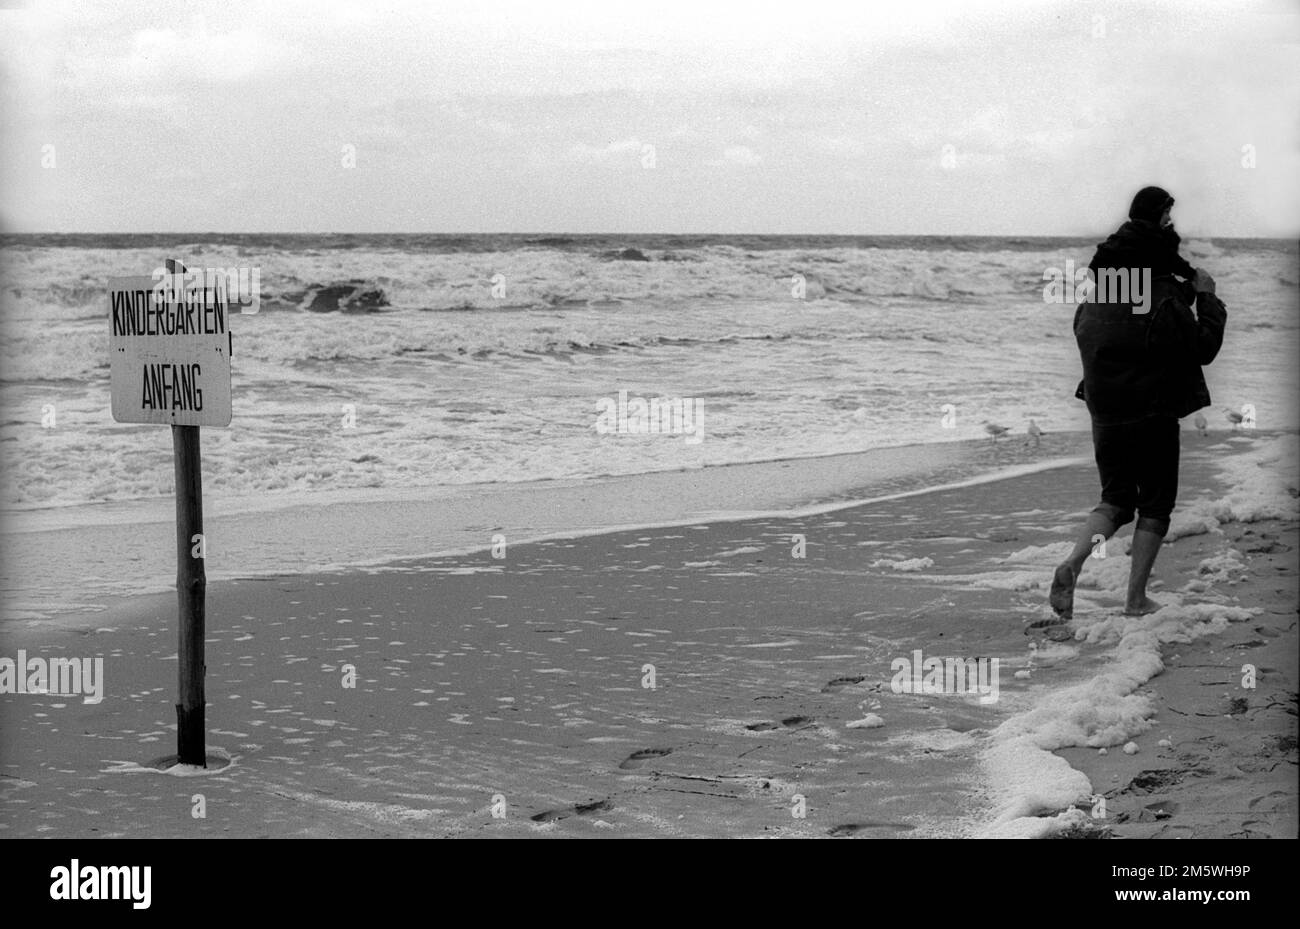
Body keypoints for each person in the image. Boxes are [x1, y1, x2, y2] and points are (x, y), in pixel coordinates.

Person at [1050, 189, 1228, 619]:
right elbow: (1202, 347)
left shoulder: (1102, 289)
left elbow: (1116, 327)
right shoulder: (1164, 292)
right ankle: (1134, 600)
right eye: (1170, 219)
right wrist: (1207, 298)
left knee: (1114, 500)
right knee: (1155, 505)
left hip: (1105, 407)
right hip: (1152, 409)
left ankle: (1073, 562)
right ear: (1163, 223)